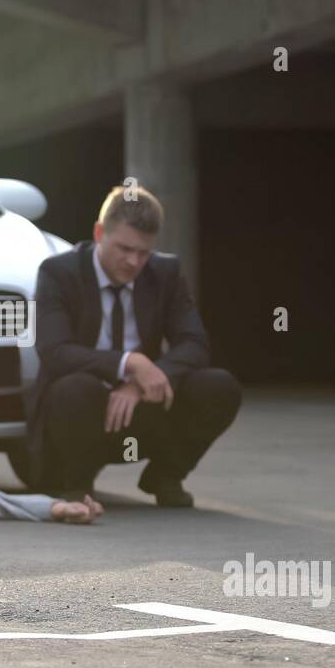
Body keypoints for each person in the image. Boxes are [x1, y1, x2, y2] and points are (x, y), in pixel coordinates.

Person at [23, 184, 241, 508]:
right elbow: (54, 352)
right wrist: (129, 363)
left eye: (143, 252)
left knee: (220, 386)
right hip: (79, 416)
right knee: (75, 388)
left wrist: (142, 381)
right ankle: (77, 486)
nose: (133, 261)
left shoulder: (164, 272)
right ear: (99, 233)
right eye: (124, 248)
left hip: (140, 412)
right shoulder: (59, 272)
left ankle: (165, 476)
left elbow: (194, 342)